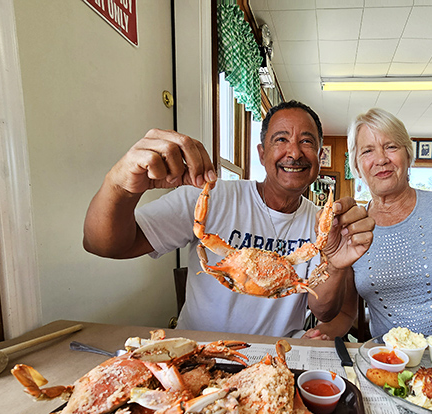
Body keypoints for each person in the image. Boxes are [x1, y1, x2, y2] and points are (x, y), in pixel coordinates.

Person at [83, 100, 375, 337]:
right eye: (281, 139)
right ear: (262, 154)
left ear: (319, 156)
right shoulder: (210, 199)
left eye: (307, 142)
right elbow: (103, 245)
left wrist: (335, 266)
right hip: (198, 351)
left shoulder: (324, 229)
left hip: (276, 358)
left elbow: (323, 312)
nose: (294, 152)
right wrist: (119, 186)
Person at [306, 108, 432, 351]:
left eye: (391, 146)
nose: (381, 159)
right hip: (395, 361)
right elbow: (347, 313)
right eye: (368, 150)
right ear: (357, 166)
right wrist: (321, 334)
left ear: (408, 155)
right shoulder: (352, 229)